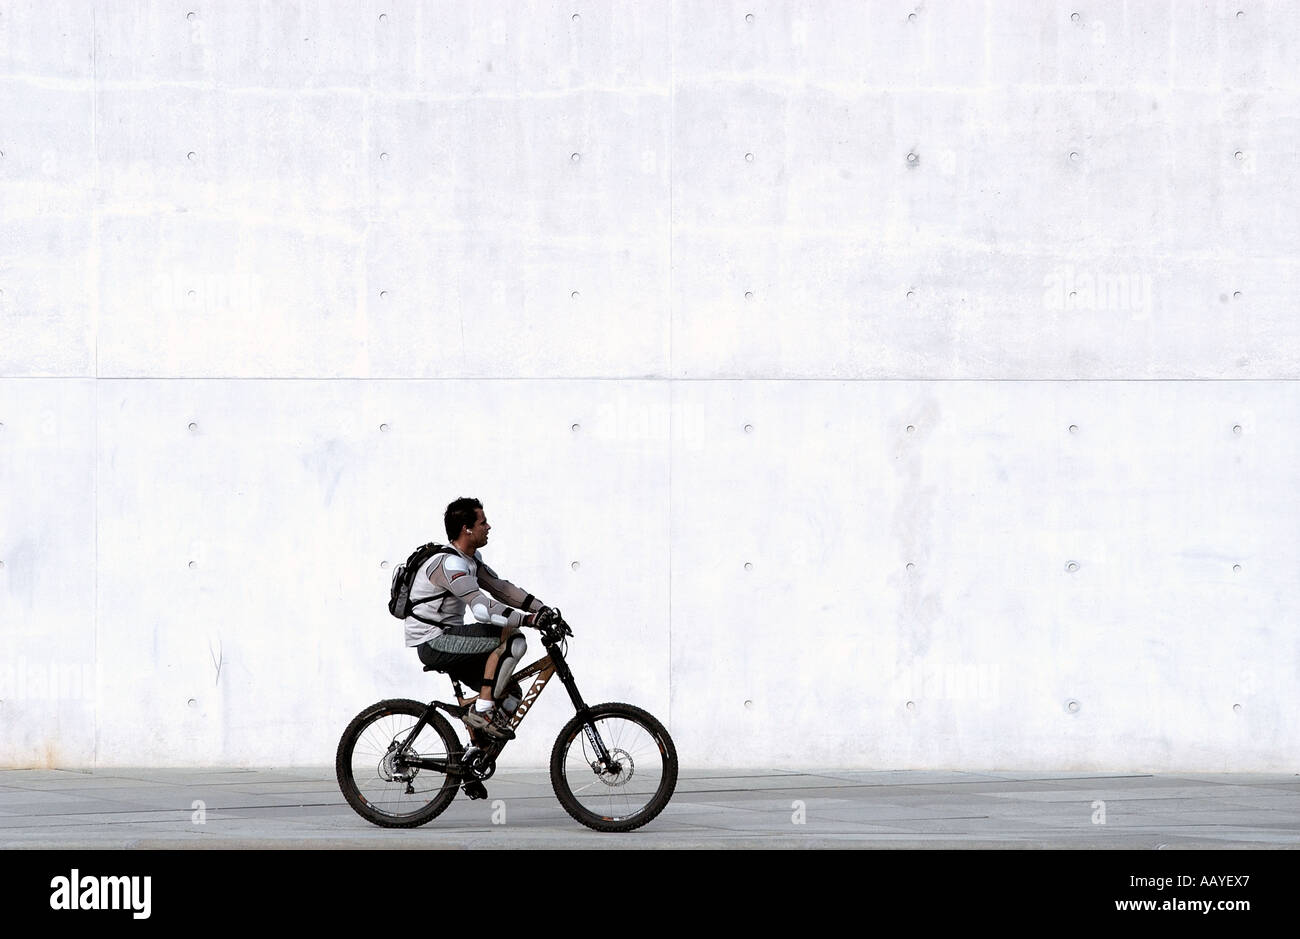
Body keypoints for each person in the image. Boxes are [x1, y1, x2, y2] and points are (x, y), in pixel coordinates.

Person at [404, 497, 552, 741]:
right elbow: (482, 609)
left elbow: (501, 588)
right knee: (514, 640)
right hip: (435, 642)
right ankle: (482, 711)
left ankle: (477, 753)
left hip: (453, 638)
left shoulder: (470, 560)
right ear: (467, 529)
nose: (489, 527)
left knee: (511, 693)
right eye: (483, 522)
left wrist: (542, 609)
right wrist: (528, 620)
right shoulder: (449, 564)